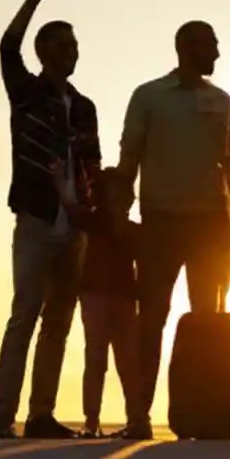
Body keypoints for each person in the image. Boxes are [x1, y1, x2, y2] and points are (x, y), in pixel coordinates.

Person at [0, 0, 101, 440]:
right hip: (35, 217)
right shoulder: (28, 94)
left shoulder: (85, 107)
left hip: (73, 224)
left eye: (74, 43)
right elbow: (6, 46)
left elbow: (92, 167)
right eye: (63, 44)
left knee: (59, 322)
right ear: (45, 51)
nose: (72, 51)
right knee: (25, 315)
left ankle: (41, 414)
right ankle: (2, 415)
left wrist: (92, 214)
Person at [116, 20, 230, 439]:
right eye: (211, 46)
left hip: (210, 224)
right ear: (187, 48)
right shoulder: (149, 97)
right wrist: (119, 215)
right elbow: (129, 155)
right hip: (160, 221)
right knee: (150, 321)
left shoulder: (222, 101)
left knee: (208, 323)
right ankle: (138, 417)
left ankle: (201, 412)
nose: (218, 55)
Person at [76, 168, 142, 439]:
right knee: (107, 360)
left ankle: (125, 420)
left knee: (113, 360)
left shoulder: (119, 229)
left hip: (114, 297)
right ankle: (106, 420)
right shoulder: (96, 224)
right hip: (106, 296)